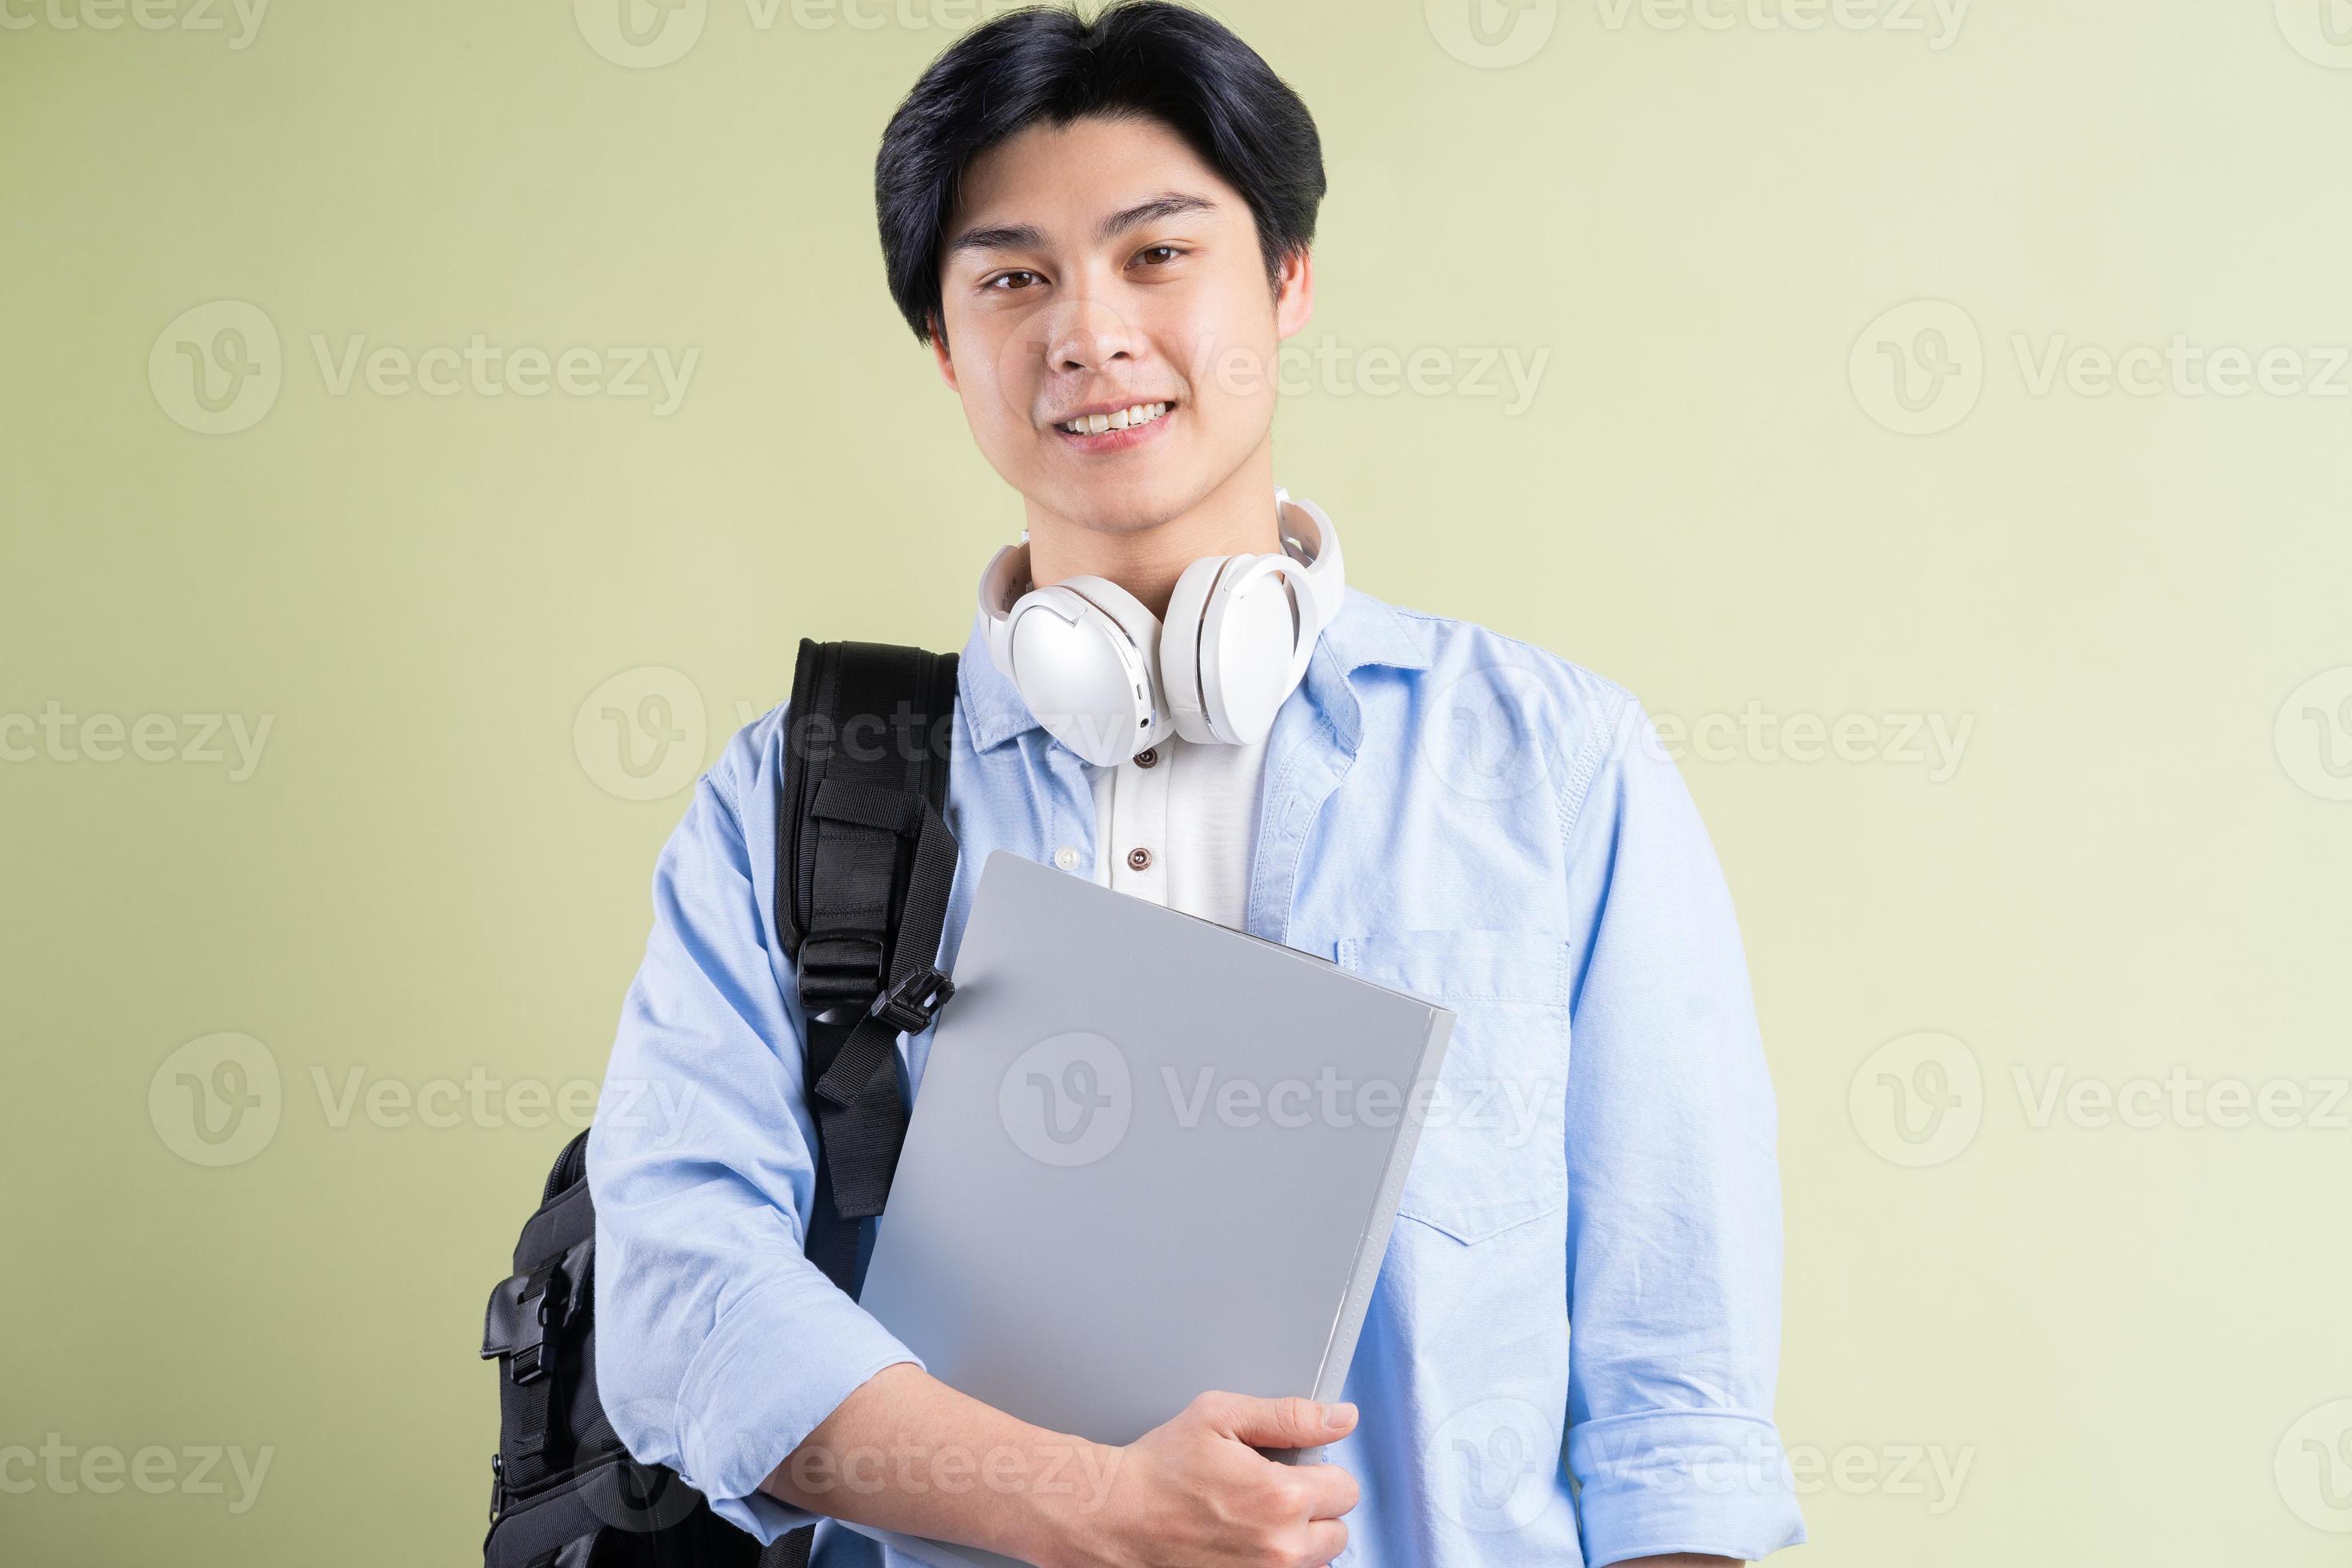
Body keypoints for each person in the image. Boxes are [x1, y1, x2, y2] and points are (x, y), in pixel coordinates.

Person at [587, 5, 1805, 1566]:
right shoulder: (796, 795)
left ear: (1287, 281)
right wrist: (1092, 1504)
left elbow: (1674, 1409)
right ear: (944, 345)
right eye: (1014, 275)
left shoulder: (1554, 766)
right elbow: (681, 1295)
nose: (1089, 331)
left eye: (1157, 253)